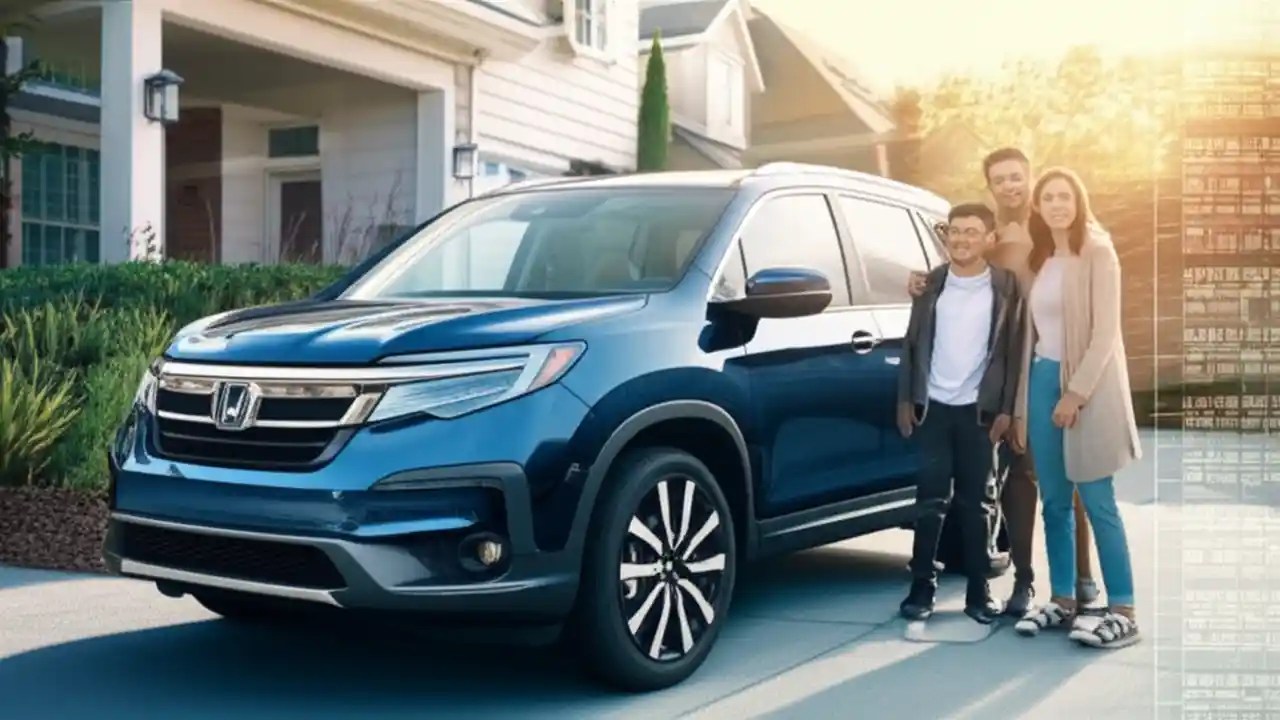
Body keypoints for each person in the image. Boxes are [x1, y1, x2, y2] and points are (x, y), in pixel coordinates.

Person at [908, 147, 1098, 617]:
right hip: (1010, 368)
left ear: (1030, 177)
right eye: (1000, 180)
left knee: (1061, 473)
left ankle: (1083, 575)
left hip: (1055, 359)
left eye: (1017, 177)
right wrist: (918, 282)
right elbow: (961, 271)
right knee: (1018, 474)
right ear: (990, 187)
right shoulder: (989, 235)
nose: (1010, 186)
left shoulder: (1055, 225)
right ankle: (1024, 580)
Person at [1010, 167, 1142, 648]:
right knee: (1054, 502)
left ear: (1078, 200)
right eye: (1049, 198)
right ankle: (1063, 600)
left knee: (1098, 500)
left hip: (1087, 386)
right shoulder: (1040, 258)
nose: (1058, 204)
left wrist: (1075, 393)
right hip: (1042, 379)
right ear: (1039, 207)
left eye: (1066, 195)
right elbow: (1032, 332)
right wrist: (1027, 403)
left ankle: (1123, 608)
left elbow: (1105, 333)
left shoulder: (1098, 251)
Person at [896, 202, 1024, 625]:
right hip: (933, 407)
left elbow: (1013, 351)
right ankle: (921, 587)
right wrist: (905, 400)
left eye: (971, 232)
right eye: (954, 231)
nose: (961, 239)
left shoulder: (1005, 287)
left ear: (989, 239)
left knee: (978, 504)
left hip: (979, 413)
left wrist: (1007, 409)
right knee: (929, 502)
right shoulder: (930, 284)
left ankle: (978, 590)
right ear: (945, 236)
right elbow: (912, 345)